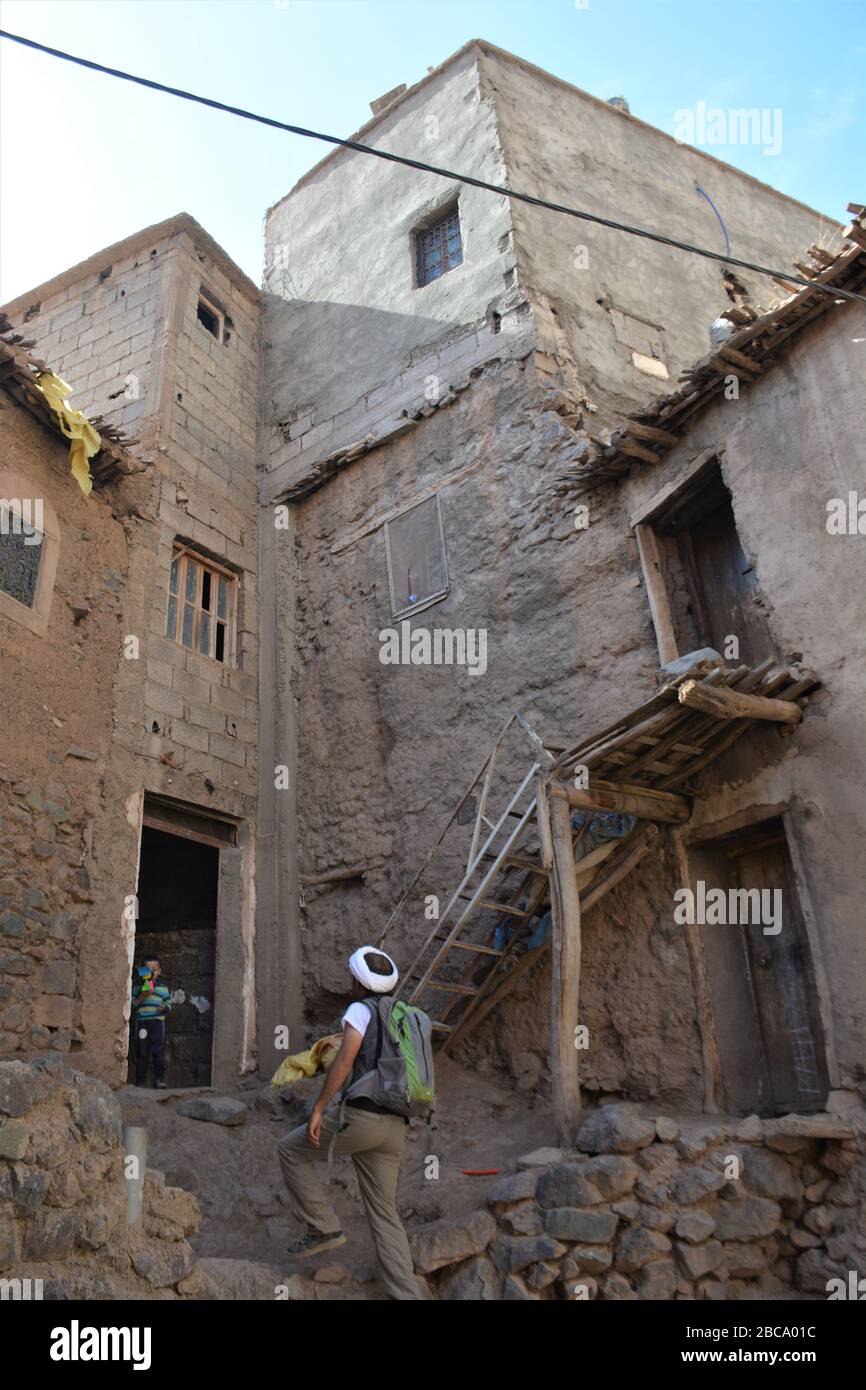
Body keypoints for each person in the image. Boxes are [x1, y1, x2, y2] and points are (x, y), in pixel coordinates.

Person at [277, 945, 423, 1300]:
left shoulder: (359, 1010)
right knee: (385, 1214)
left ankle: (324, 1227)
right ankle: (408, 1295)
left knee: (290, 1150)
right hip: (395, 1126)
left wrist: (318, 1107)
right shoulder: (405, 1014)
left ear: (358, 981)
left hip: (363, 1117)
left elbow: (344, 1063)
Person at [131, 956, 172, 1089]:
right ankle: (140, 1081)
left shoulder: (163, 988)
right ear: (142, 971)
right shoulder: (138, 988)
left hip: (158, 1023)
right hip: (142, 1023)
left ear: (159, 971)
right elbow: (131, 1005)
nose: (151, 973)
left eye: (154, 970)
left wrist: (165, 1008)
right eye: (147, 970)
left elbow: (168, 1004)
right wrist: (143, 994)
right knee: (142, 1052)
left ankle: (159, 1079)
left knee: (158, 1051)